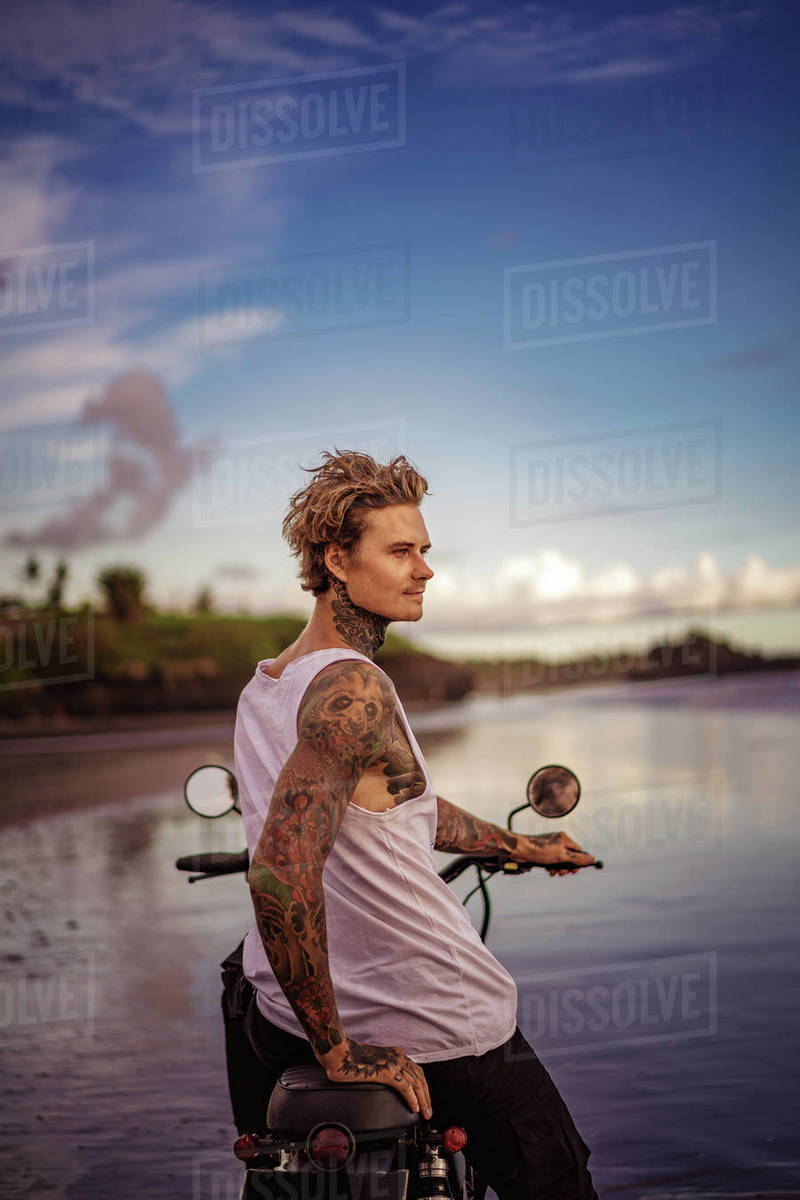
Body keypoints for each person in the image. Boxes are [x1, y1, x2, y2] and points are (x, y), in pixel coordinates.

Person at [222, 450, 599, 1199]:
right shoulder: (354, 687)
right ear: (336, 559)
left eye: (425, 550)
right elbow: (280, 871)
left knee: (239, 978)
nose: (425, 570)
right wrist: (339, 1052)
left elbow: (401, 803)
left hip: (277, 1016)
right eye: (400, 551)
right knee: (561, 1182)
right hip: (432, 1019)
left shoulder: (267, 684)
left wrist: (525, 844)